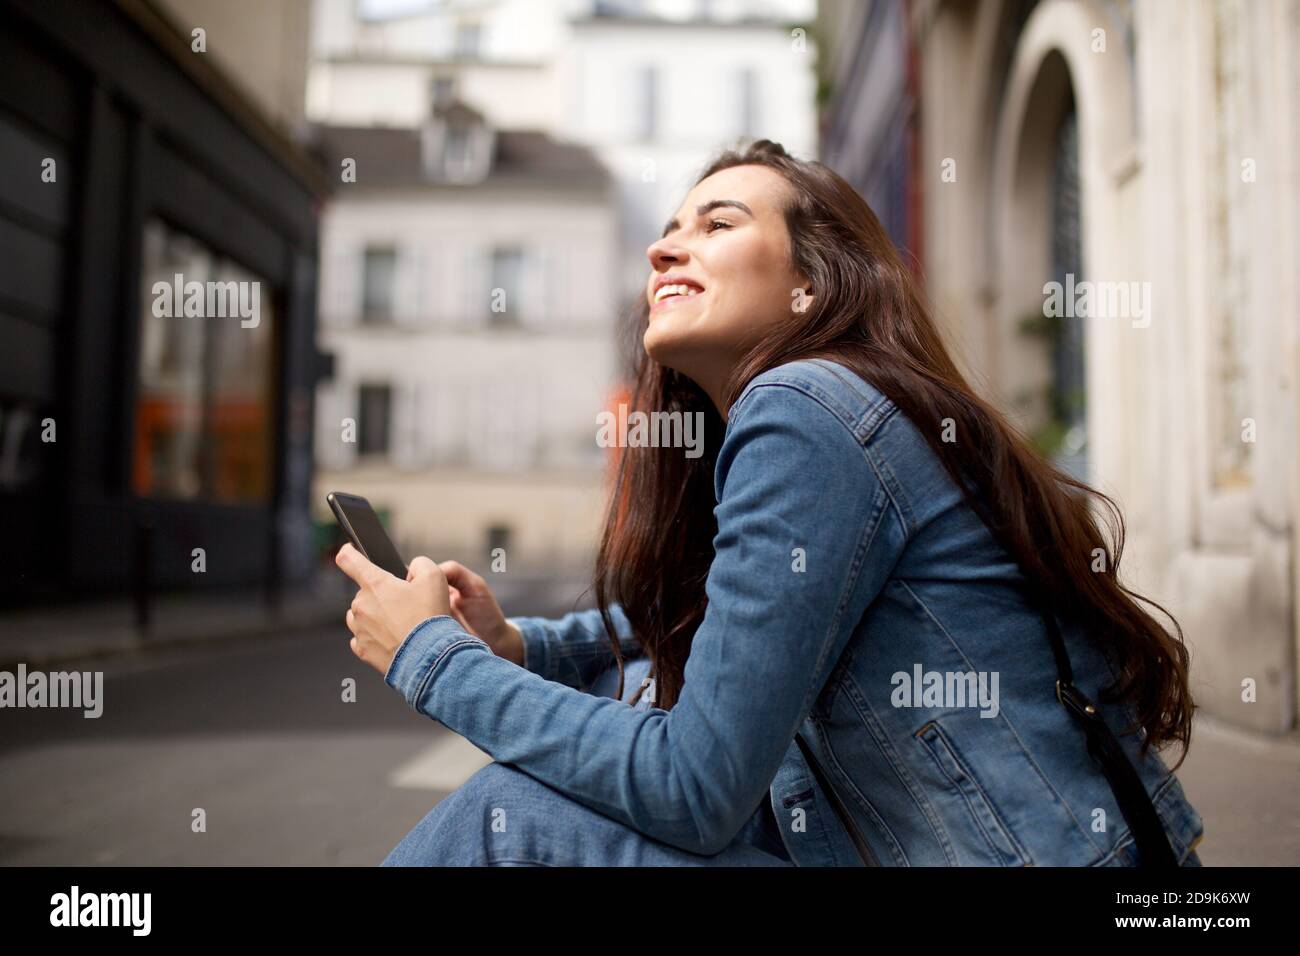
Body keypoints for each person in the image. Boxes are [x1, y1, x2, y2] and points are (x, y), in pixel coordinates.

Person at [337, 139, 1205, 867]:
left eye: (719, 224)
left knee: (512, 819)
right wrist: (520, 644)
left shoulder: (808, 410)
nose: (664, 250)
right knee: (635, 682)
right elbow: (714, 622)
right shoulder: (839, 411)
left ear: (817, 279)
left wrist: (434, 660)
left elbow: (697, 788)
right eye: (671, 228)